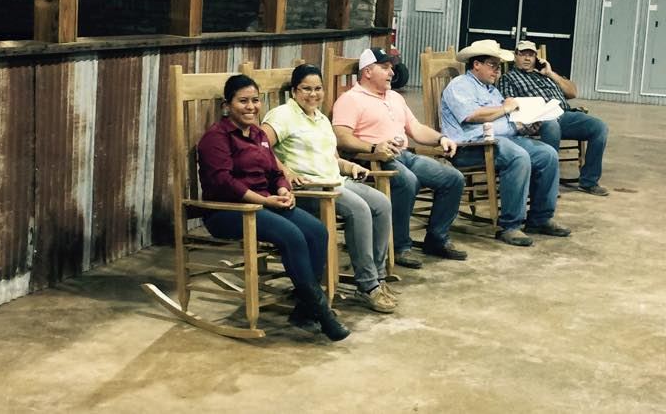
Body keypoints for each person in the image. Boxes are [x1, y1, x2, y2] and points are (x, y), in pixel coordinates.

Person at [197, 73, 350, 341]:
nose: (251, 107)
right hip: (228, 211)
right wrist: (264, 200)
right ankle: (323, 313)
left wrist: (282, 189)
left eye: (255, 100)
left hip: (266, 204)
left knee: (317, 232)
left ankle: (304, 309)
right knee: (292, 236)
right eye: (242, 101)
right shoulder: (216, 137)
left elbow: (275, 169)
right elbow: (224, 182)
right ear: (227, 105)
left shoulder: (258, 134)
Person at [262, 64, 397, 314]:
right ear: (294, 91)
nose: (313, 94)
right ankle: (368, 284)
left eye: (318, 89)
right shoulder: (282, 115)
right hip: (310, 189)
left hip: (334, 180)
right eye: (306, 89)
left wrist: (350, 166)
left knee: (381, 203)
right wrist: (286, 171)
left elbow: (332, 158)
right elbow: (260, 146)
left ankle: (376, 276)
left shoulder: (321, 118)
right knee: (358, 209)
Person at [332, 48, 468, 266]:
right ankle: (400, 246)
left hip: (404, 155)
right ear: (367, 72)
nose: (392, 73)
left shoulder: (395, 97)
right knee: (407, 181)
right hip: (371, 159)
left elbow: (415, 128)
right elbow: (341, 137)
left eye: (391, 68)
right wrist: (374, 147)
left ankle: (437, 238)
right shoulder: (350, 99)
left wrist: (441, 138)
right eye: (385, 68)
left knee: (453, 178)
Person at [440, 39, 571, 246]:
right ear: (476, 65)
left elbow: (504, 118)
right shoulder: (461, 85)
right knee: (518, 156)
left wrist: (524, 124)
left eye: (499, 67)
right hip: (471, 146)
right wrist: (506, 108)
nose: (497, 72)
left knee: (547, 154)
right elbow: (472, 115)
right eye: (493, 66)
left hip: (502, 140)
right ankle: (510, 225)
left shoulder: (491, 89)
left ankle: (540, 218)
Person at [498, 40, 609, 196]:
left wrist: (550, 73)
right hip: (539, 118)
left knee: (599, 127)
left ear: (536, 58)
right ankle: (547, 184)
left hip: (563, 114)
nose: (527, 58)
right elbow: (508, 102)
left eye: (531, 55)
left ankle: (589, 182)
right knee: (552, 126)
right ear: (515, 56)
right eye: (523, 54)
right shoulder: (509, 78)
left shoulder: (546, 75)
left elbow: (572, 92)